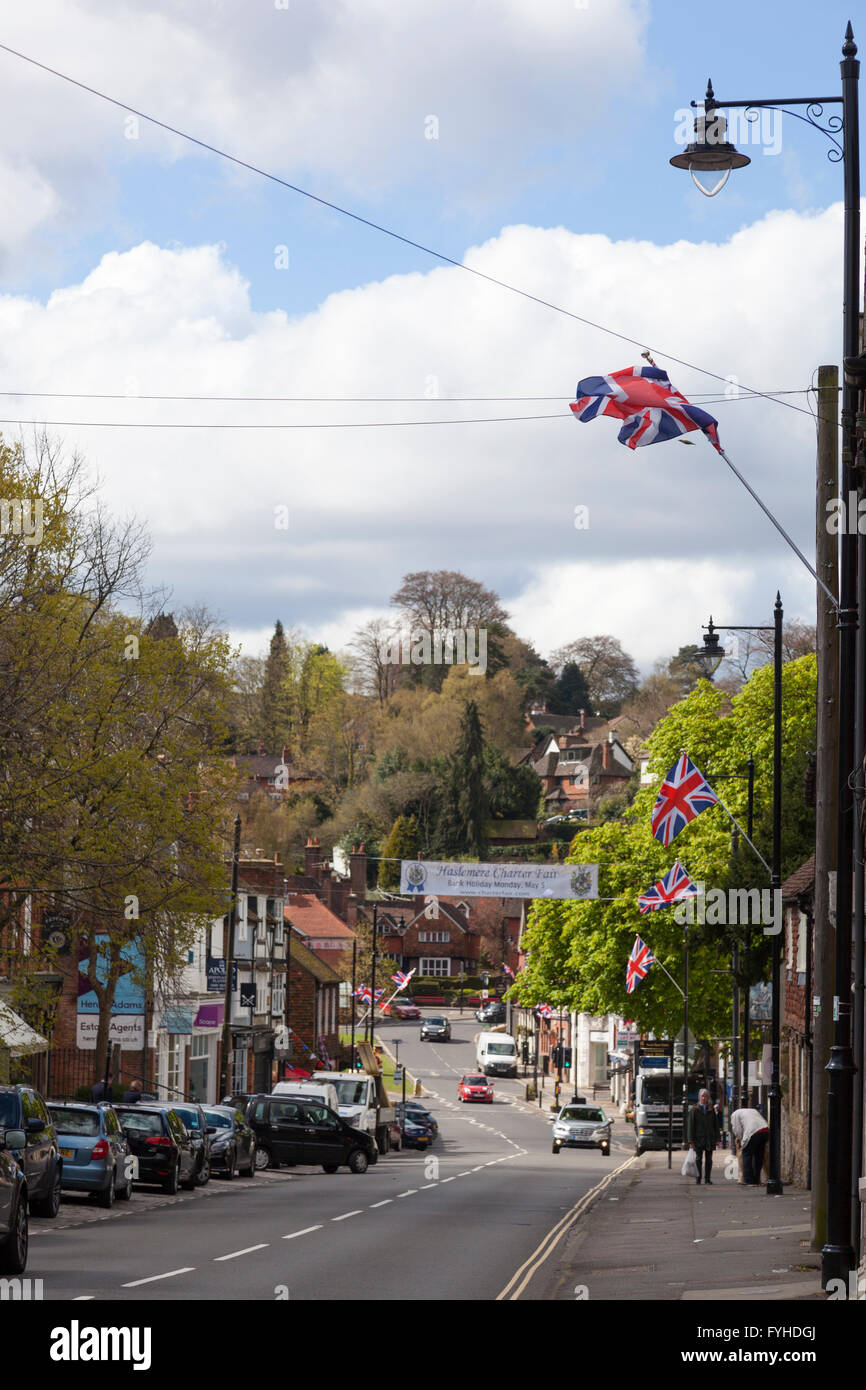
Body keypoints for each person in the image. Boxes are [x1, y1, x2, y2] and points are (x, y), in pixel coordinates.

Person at [687, 1087, 720, 1185]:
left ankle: (707, 1179)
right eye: (702, 1096)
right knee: (698, 1159)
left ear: (708, 1097)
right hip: (699, 1138)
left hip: (709, 1138)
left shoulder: (711, 1109)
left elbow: (716, 1125)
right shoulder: (694, 1109)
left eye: (706, 1096)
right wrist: (690, 1140)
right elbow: (690, 1126)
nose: (704, 1098)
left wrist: (717, 1138)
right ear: (699, 1097)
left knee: (709, 1159)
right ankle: (698, 1178)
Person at [730, 1106, 770, 1185]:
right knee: (759, 1156)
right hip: (765, 1130)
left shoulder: (734, 1115)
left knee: (746, 1154)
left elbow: (737, 1130)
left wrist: (741, 1140)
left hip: (753, 1132)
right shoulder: (752, 1111)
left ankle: (748, 1180)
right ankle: (756, 1179)